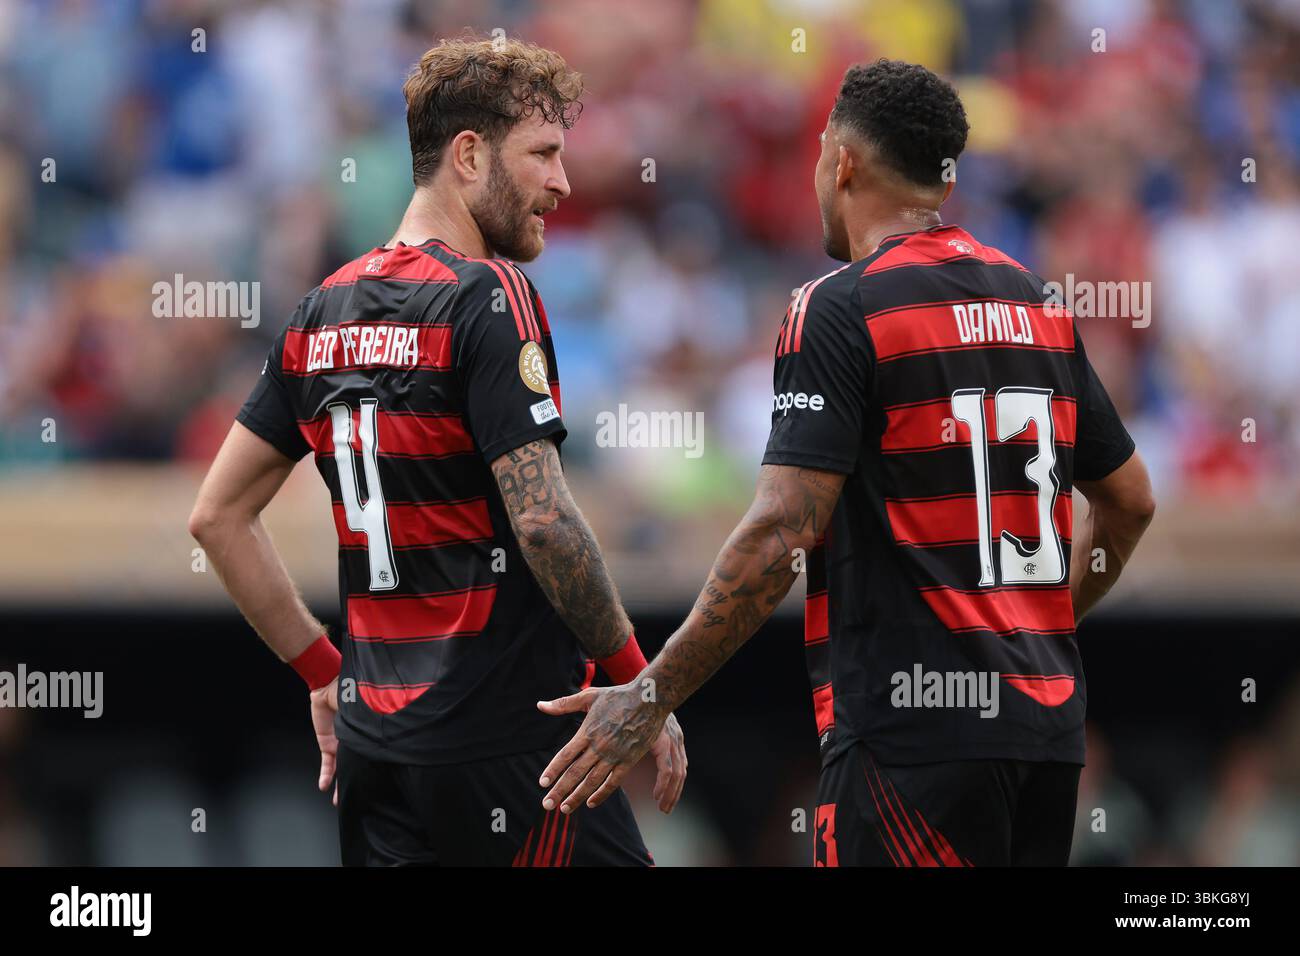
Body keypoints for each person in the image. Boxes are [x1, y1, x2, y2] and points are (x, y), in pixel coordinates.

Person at [536, 58, 1154, 867]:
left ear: (844, 161)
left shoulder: (838, 307)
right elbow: (1131, 502)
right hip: (1045, 738)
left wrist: (649, 693)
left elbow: (780, 533)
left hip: (912, 741)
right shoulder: (1034, 300)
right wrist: (1041, 619)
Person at [188, 36, 684, 867]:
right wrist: (640, 681)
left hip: (377, 757)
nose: (562, 182)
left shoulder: (321, 311)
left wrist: (322, 673)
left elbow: (216, 519)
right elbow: (546, 525)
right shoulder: (489, 298)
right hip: (511, 749)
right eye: (544, 154)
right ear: (468, 154)